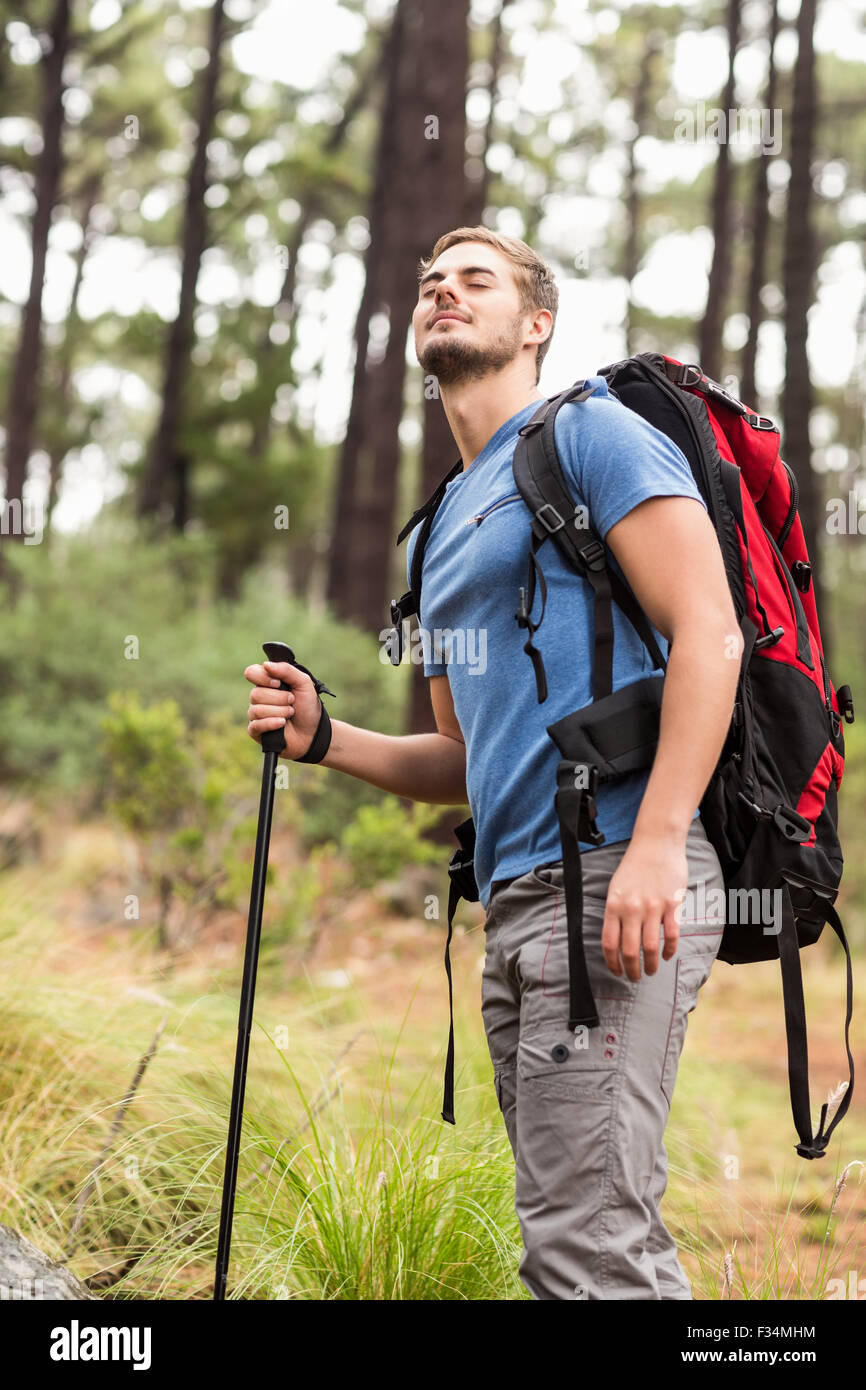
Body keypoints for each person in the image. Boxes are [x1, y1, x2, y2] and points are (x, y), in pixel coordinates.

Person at [243, 226, 742, 1300]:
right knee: (576, 1227)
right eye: (430, 283)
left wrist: (658, 839)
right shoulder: (437, 530)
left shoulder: (591, 439)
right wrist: (325, 739)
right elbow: (461, 758)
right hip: (516, 906)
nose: (442, 292)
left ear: (535, 324)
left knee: (584, 1246)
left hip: (615, 873)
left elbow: (710, 631)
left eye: (475, 279)